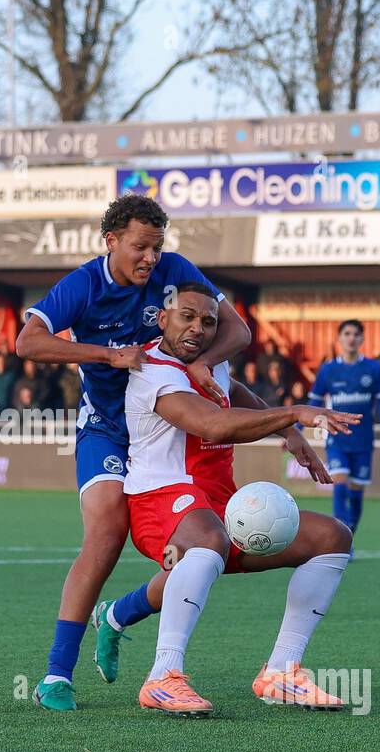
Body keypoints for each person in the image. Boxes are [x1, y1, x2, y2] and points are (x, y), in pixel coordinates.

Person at [17, 193, 275, 712]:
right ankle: (57, 674)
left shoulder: (175, 271)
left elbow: (237, 331)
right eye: (140, 247)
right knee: (108, 531)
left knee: (202, 548)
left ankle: (119, 616)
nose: (150, 259)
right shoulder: (85, 285)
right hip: (111, 430)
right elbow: (28, 342)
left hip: (170, 430)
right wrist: (105, 354)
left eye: (156, 247)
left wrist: (208, 363)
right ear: (111, 241)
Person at [89, 285, 358, 712]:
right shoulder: (151, 370)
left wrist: (287, 433)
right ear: (162, 319)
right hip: (158, 501)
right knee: (206, 542)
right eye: (187, 317)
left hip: (219, 504)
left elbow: (231, 391)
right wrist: (292, 413)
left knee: (332, 537)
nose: (198, 328)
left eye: (209, 321)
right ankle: (163, 677)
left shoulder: (209, 364)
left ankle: (281, 672)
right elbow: (214, 424)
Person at [307, 319, 380, 538]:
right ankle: (340, 537)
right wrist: (296, 428)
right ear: (340, 339)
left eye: (356, 334)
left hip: (363, 441)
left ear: (362, 338)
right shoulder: (328, 370)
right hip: (337, 438)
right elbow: (314, 402)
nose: (351, 338)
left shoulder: (374, 368)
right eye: (347, 333)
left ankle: (350, 532)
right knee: (340, 482)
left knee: (356, 491)